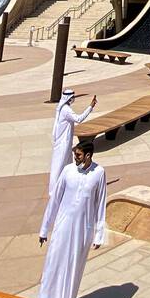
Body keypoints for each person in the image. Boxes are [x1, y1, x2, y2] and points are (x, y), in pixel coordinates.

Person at [29, 140, 107, 298]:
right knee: (52, 270)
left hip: (82, 232)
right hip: (63, 229)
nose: (75, 158)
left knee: (72, 273)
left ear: (88, 155)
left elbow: (100, 204)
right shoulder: (68, 171)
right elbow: (55, 200)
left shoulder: (99, 173)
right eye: (75, 155)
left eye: (79, 155)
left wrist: (98, 234)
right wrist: (44, 229)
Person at [43, 88, 96, 224]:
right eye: (73, 96)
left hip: (65, 142)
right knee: (59, 166)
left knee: (66, 165)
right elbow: (79, 119)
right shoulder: (66, 109)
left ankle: (65, 186)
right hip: (62, 143)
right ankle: (54, 192)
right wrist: (90, 107)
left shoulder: (62, 107)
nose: (74, 98)